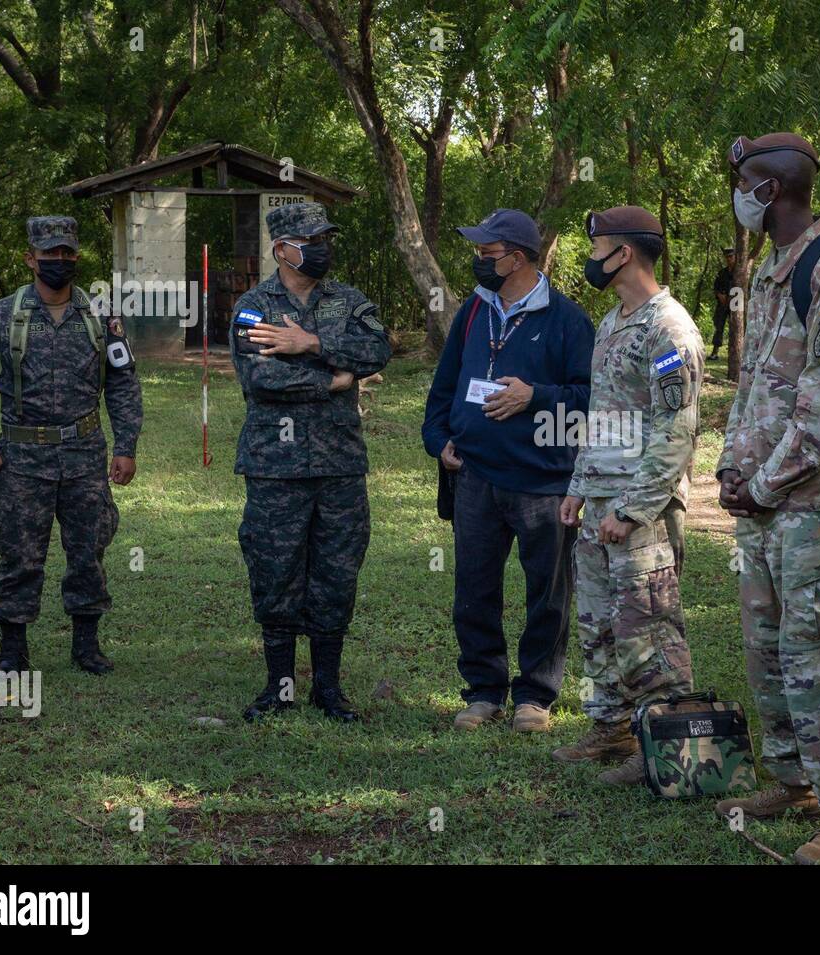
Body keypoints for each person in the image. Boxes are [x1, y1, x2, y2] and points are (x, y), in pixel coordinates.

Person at [713, 133, 820, 864]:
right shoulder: (772, 270)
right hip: (763, 505)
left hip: (814, 505)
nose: (737, 195)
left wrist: (762, 483)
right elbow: (754, 390)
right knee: (767, 648)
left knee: (819, 654)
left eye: (743, 182)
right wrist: (730, 468)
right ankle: (792, 779)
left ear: (771, 190)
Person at [0, 216, 142, 676]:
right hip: (22, 460)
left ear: (76, 256)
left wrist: (125, 445)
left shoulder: (100, 317)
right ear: (31, 258)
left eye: (67, 253)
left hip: (85, 455)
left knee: (89, 549)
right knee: (19, 553)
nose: (58, 261)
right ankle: (13, 651)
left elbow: (124, 383)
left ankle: (86, 646)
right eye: (49, 254)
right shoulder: (1, 316)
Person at [422, 208, 594, 733]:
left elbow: (591, 399)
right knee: (474, 588)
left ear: (516, 258)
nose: (477, 261)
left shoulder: (568, 320)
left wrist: (534, 397)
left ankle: (536, 696)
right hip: (474, 476)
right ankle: (484, 691)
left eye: (486, 253)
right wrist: (440, 442)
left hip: (543, 483)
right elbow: (444, 387)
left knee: (547, 592)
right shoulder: (472, 313)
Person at [554, 205, 704, 786]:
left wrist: (632, 508)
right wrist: (579, 488)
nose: (591, 257)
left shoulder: (668, 327)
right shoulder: (615, 321)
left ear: (626, 253)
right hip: (599, 504)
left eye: (598, 247)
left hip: (640, 511)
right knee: (600, 625)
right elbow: (604, 418)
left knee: (649, 629)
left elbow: (678, 431)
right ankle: (613, 726)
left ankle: (668, 744)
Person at [230, 201, 390, 723]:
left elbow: (377, 352)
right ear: (282, 249)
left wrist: (309, 342)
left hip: (340, 465)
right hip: (276, 467)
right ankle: (279, 686)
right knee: (276, 572)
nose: (322, 249)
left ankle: (328, 688)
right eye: (310, 241)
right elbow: (262, 381)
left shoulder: (349, 300)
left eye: (325, 239)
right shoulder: (254, 307)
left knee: (336, 572)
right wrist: (336, 379)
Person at [710, 247, 735, 359]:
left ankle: (734, 351)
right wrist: (720, 295)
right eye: (727, 257)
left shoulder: (739, 272)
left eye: (731, 256)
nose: (729, 259)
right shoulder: (722, 273)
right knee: (718, 327)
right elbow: (716, 287)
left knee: (735, 328)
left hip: (735, 305)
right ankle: (715, 352)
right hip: (722, 304)